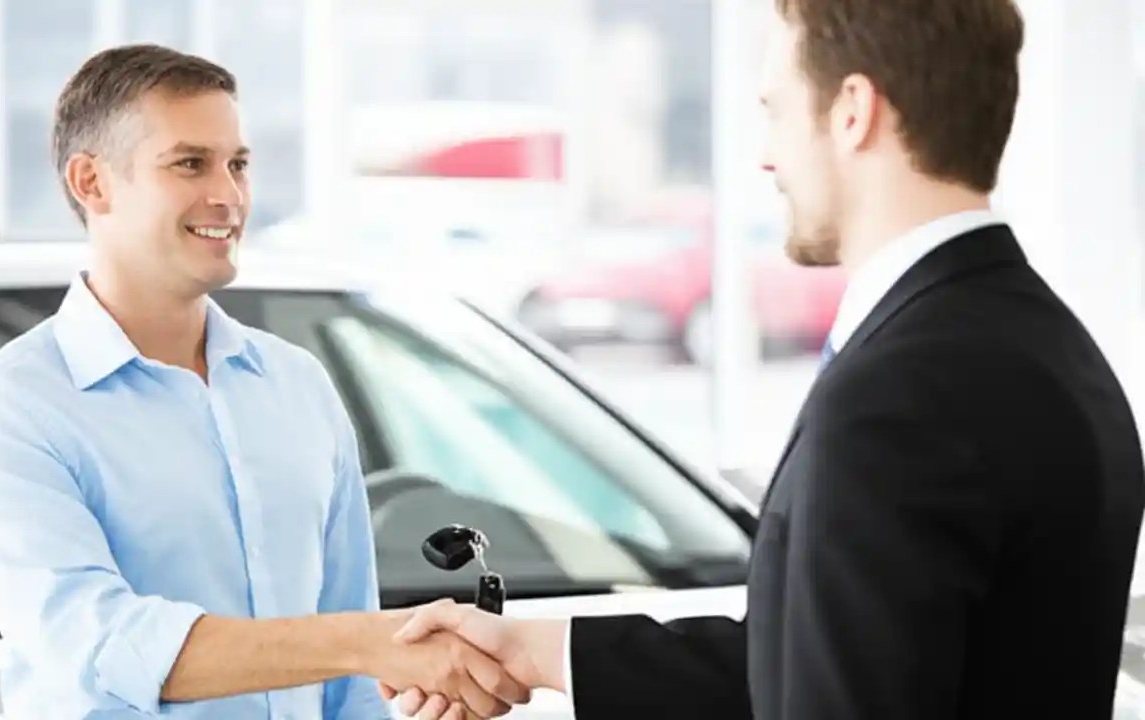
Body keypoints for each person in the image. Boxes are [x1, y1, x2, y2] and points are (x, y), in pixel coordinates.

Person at [386, 0, 1145, 717]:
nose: (765, 157)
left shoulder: (899, 395)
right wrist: (538, 650)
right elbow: (828, 660)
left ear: (853, 111)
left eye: (775, 112)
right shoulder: (1044, 346)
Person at [0, 44, 527, 720]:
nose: (230, 195)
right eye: (190, 164)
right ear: (91, 182)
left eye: (238, 164)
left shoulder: (297, 387)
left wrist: (402, 684)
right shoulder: (10, 414)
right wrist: (368, 644)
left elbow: (350, 682)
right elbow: (104, 647)